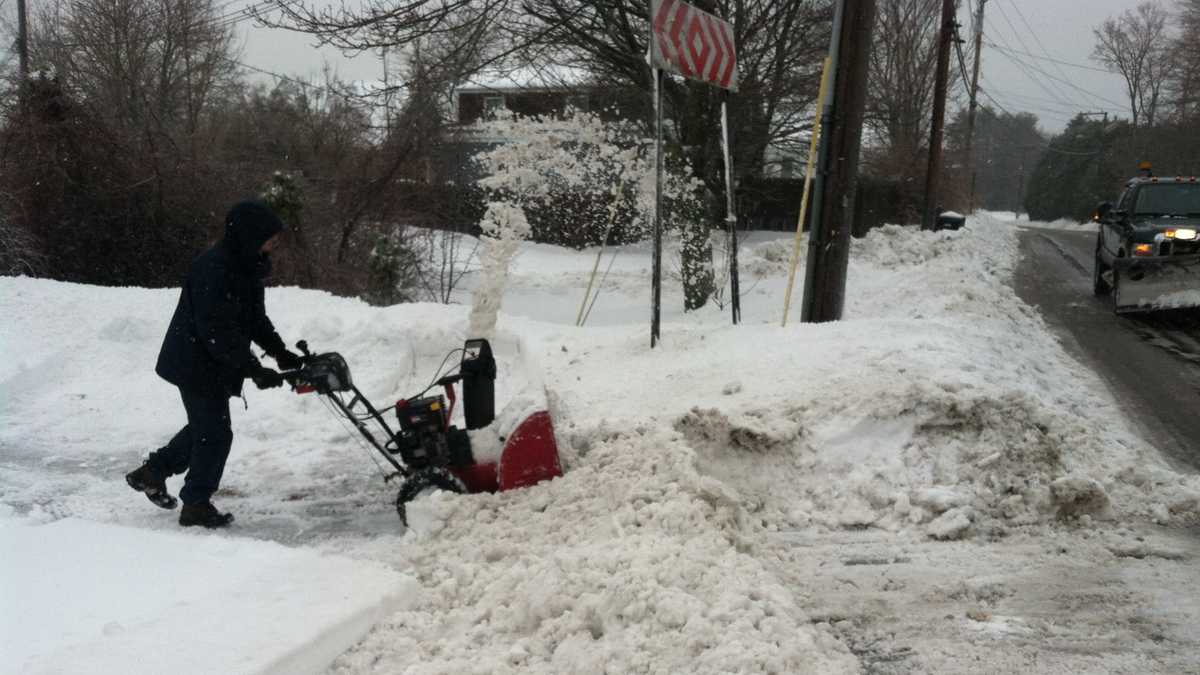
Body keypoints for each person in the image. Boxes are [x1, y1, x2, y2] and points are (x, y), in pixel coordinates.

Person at [125, 200, 302, 528]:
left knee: (206, 428)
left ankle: (153, 472)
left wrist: (279, 351)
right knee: (215, 434)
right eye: (269, 238)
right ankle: (195, 504)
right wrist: (252, 369)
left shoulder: (248, 265)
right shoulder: (213, 268)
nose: (274, 244)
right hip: (194, 361)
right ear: (249, 236)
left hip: (214, 361)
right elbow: (216, 330)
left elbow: (254, 319)